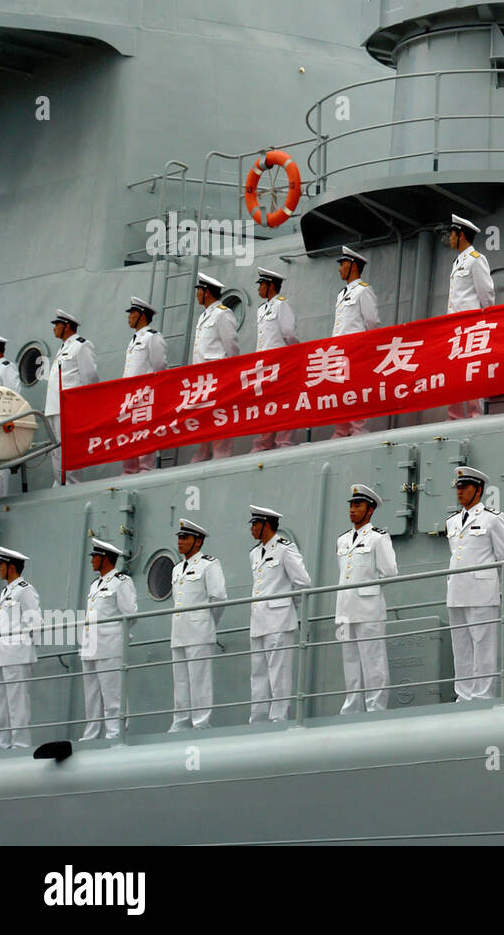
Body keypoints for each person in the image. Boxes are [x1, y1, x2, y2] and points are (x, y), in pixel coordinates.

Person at [445, 466, 504, 701]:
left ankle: (483, 695)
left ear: (478, 490)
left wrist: (497, 589)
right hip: (457, 592)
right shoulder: (452, 522)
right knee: (461, 648)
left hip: (482, 592)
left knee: (483, 647)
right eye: (458, 487)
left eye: (464, 487)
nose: (460, 492)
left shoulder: (492, 519)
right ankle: (463, 696)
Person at [335, 484, 398, 713]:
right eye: (351, 505)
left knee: (374, 663)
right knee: (350, 663)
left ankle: (375, 708)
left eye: (358, 505)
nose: (352, 509)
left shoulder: (377, 538)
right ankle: (352, 708)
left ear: (370, 510)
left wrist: (367, 589)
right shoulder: (342, 540)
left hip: (369, 609)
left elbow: (390, 572)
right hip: (345, 609)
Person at [247, 504, 310, 722]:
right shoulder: (254, 554)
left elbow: (303, 582)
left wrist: (288, 606)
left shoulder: (285, 549)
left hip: (280, 620)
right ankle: (259, 717)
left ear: (266, 525)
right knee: (258, 673)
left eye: (255, 524)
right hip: (259, 622)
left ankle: (278, 717)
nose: (252, 528)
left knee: (279, 673)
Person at [168, 518, 227, 731]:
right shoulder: (176, 569)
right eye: (179, 537)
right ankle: (181, 722)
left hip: (200, 631)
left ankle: (201, 722)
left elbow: (218, 598)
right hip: (180, 632)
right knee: (181, 682)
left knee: (199, 679)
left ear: (198, 541)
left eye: (185, 538)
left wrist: (209, 622)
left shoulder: (209, 564)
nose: (180, 542)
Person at [80, 538, 138, 740]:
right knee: (92, 697)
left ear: (104, 558)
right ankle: (91, 735)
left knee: (113, 694)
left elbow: (130, 614)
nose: (91, 561)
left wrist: (116, 638)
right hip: (90, 647)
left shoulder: (121, 582)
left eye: (94, 557)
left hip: (109, 646)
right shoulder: (95, 585)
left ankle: (115, 733)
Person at [445, 215, 495, 420]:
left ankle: (475, 413)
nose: (449, 238)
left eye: (452, 234)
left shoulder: (476, 259)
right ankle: (454, 414)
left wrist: (485, 320)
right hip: (455, 326)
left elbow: (486, 293)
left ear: (461, 235)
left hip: (471, 325)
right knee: (454, 372)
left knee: (472, 370)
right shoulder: (457, 262)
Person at [190, 274, 240, 462]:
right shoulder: (204, 316)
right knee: (204, 416)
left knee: (219, 415)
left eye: (199, 291)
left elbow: (231, 344)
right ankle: (203, 452)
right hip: (202, 377)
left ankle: (221, 454)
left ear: (207, 292)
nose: (197, 295)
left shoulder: (222, 313)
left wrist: (229, 371)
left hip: (218, 373)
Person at [45, 309, 98, 486]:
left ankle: (72, 483)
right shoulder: (63, 348)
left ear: (67, 326)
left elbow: (89, 376)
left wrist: (84, 405)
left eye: (57, 325)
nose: (54, 329)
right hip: (54, 407)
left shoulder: (80, 345)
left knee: (70, 448)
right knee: (57, 450)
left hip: (69, 406)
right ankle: (60, 482)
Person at [250, 268, 300, 452]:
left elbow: (289, 333)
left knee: (282, 403)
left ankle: (283, 441)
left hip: (279, 363)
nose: (258, 289)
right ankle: (264, 442)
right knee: (266, 405)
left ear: (270, 285)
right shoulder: (261, 309)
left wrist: (293, 354)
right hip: (263, 365)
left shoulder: (281, 305)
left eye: (261, 285)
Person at [332, 247, 379, 437]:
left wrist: (364, 349)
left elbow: (372, 322)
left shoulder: (363, 291)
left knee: (355, 391)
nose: (339, 269)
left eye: (342, 264)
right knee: (339, 392)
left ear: (352, 266)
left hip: (356, 351)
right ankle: (341, 430)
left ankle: (359, 430)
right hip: (339, 351)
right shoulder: (341, 294)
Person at [0, 547, 38, 750]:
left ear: (10, 567)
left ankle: (20, 744)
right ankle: (0, 743)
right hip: (0, 654)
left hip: (16, 654)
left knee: (17, 702)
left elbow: (34, 622)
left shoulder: (24, 590)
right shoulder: (6, 591)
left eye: (1, 565)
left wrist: (22, 645)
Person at [121, 297, 168, 473]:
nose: (129, 317)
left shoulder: (152, 337)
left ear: (141, 315)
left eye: (132, 313)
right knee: (129, 433)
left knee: (144, 432)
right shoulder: (133, 340)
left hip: (145, 393)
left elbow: (159, 366)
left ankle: (145, 468)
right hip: (129, 395)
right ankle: (129, 469)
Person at [0, 334, 21, 498]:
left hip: (2, 425)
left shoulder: (6, 368)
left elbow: (15, 394)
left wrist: (9, 420)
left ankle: (0, 501)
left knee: (1, 471)